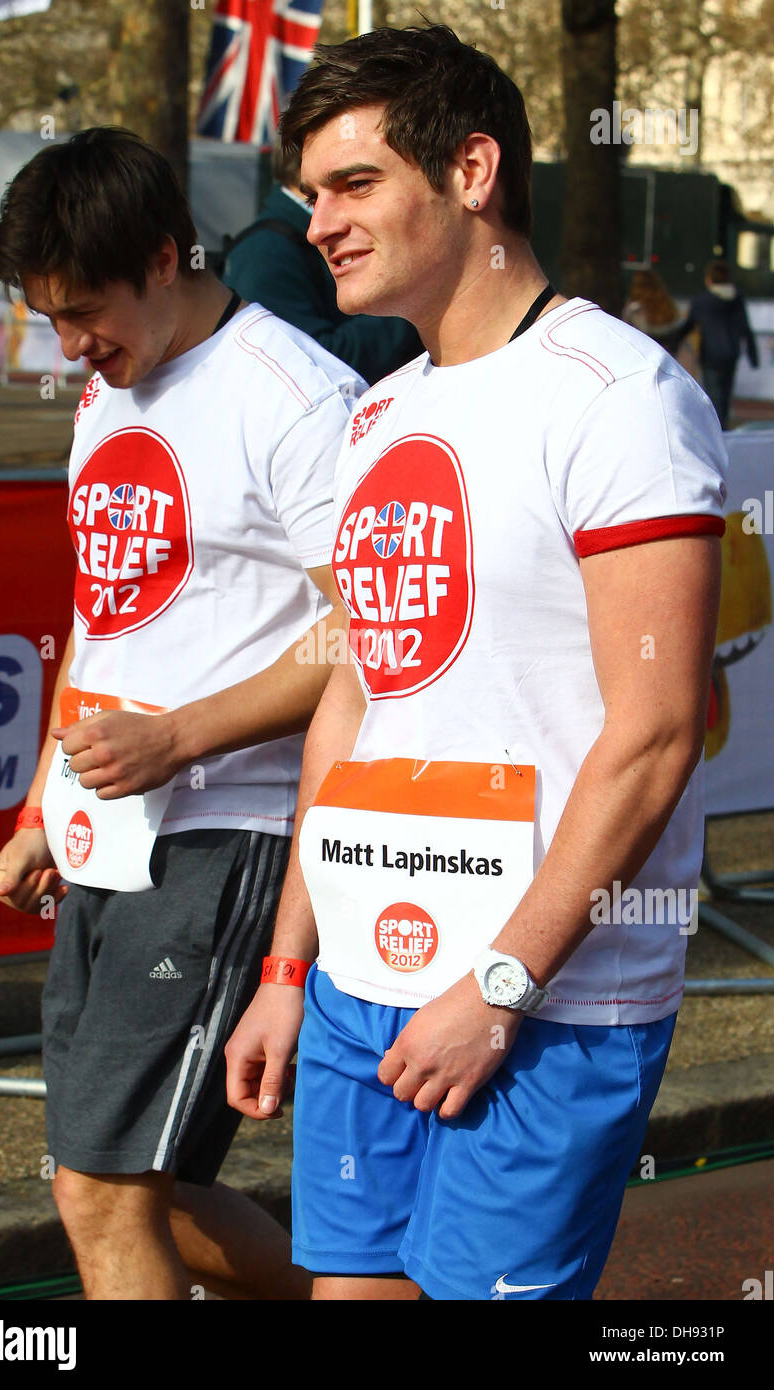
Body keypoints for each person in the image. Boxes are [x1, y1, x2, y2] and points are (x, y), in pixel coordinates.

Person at [225, 25, 727, 1301]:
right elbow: (355, 698)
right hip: (358, 978)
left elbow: (658, 729)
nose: (318, 222)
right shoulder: (381, 410)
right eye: (310, 194)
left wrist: (501, 982)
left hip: (543, 998)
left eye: (353, 185)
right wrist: (292, 964)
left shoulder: (617, 395)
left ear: (471, 170)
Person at [0, 126, 365, 1301]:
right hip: (107, 836)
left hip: (228, 834)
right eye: (51, 319)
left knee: (100, 1189)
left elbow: (368, 630)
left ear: (165, 256)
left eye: (86, 310)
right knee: (144, 1186)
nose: (73, 347)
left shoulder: (297, 396)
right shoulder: (111, 394)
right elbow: (104, 615)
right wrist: (45, 800)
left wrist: (182, 736)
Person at [221, 141, 422, 384]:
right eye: (357, 183)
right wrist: (415, 307)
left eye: (359, 185)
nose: (320, 232)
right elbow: (310, 365)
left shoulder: (283, 238)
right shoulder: (263, 251)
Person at [676, 259, 759, 427]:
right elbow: (745, 328)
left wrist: (672, 343)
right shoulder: (737, 299)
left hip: (711, 354)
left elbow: (688, 326)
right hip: (731, 353)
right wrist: (753, 355)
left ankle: (718, 431)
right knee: (726, 396)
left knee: (714, 397)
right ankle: (724, 428)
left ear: (709, 279)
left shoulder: (702, 300)